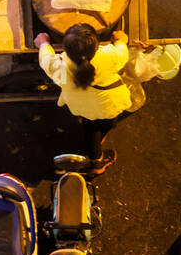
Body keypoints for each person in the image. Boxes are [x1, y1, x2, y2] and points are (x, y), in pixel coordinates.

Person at [35, 24, 138, 173]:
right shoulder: (110, 56)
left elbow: (46, 60)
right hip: (111, 105)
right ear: (96, 45)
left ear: (66, 48)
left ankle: (96, 157)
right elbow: (122, 52)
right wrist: (121, 40)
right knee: (105, 125)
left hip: (82, 107)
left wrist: (44, 43)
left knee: (90, 127)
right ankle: (97, 156)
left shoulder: (60, 67)